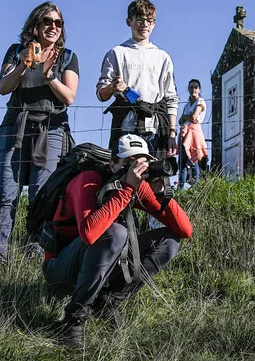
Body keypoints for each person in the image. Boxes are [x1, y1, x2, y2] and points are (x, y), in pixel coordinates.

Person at [41, 134, 192, 348]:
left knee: (169, 242)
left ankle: (107, 301)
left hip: (99, 263)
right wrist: (127, 189)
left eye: (142, 163)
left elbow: (185, 230)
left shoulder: (138, 186)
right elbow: (90, 234)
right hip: (61, 268)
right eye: (130, 163)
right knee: (116, 232)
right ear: (112, 165)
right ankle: (74, 319)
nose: (137, 169)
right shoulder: (87, 181)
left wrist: (160, 194)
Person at [0, 2, 79, 262]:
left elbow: (70, 97)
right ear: (35, 26)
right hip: (15, 125)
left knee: (41, 194)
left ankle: (36, 255)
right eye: (47, 22)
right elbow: (3, 87)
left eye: (58, 23)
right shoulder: (16, 51)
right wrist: (23, 67)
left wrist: (50, 76)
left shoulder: (67, 57)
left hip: (50, 128)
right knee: (7, 193)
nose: (53, 27)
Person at [96, 0, 180, 160]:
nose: (145, 24)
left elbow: (171, 98)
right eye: (140, 19)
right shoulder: (117, 53)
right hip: (125, 128)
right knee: (125, 176)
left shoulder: (163, 58)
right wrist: (113, 87)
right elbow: (101, 93)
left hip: (155, 128)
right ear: (129, 22)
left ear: (154, 24)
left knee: (154, 179)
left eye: (150, 20)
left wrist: (171, 133)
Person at [177, 79, 208, 189]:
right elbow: (180, 121)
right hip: (186, 132)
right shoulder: (187, 105)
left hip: (194, 132)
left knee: (193, 159)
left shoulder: (200, 102)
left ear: (199, 89)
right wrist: (186, 118)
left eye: (195, 87)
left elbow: (193, 117)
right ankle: (180, 188)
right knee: (182, 162)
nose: (193, 89)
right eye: (191, 87)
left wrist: (185, 117)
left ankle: (195, 188)